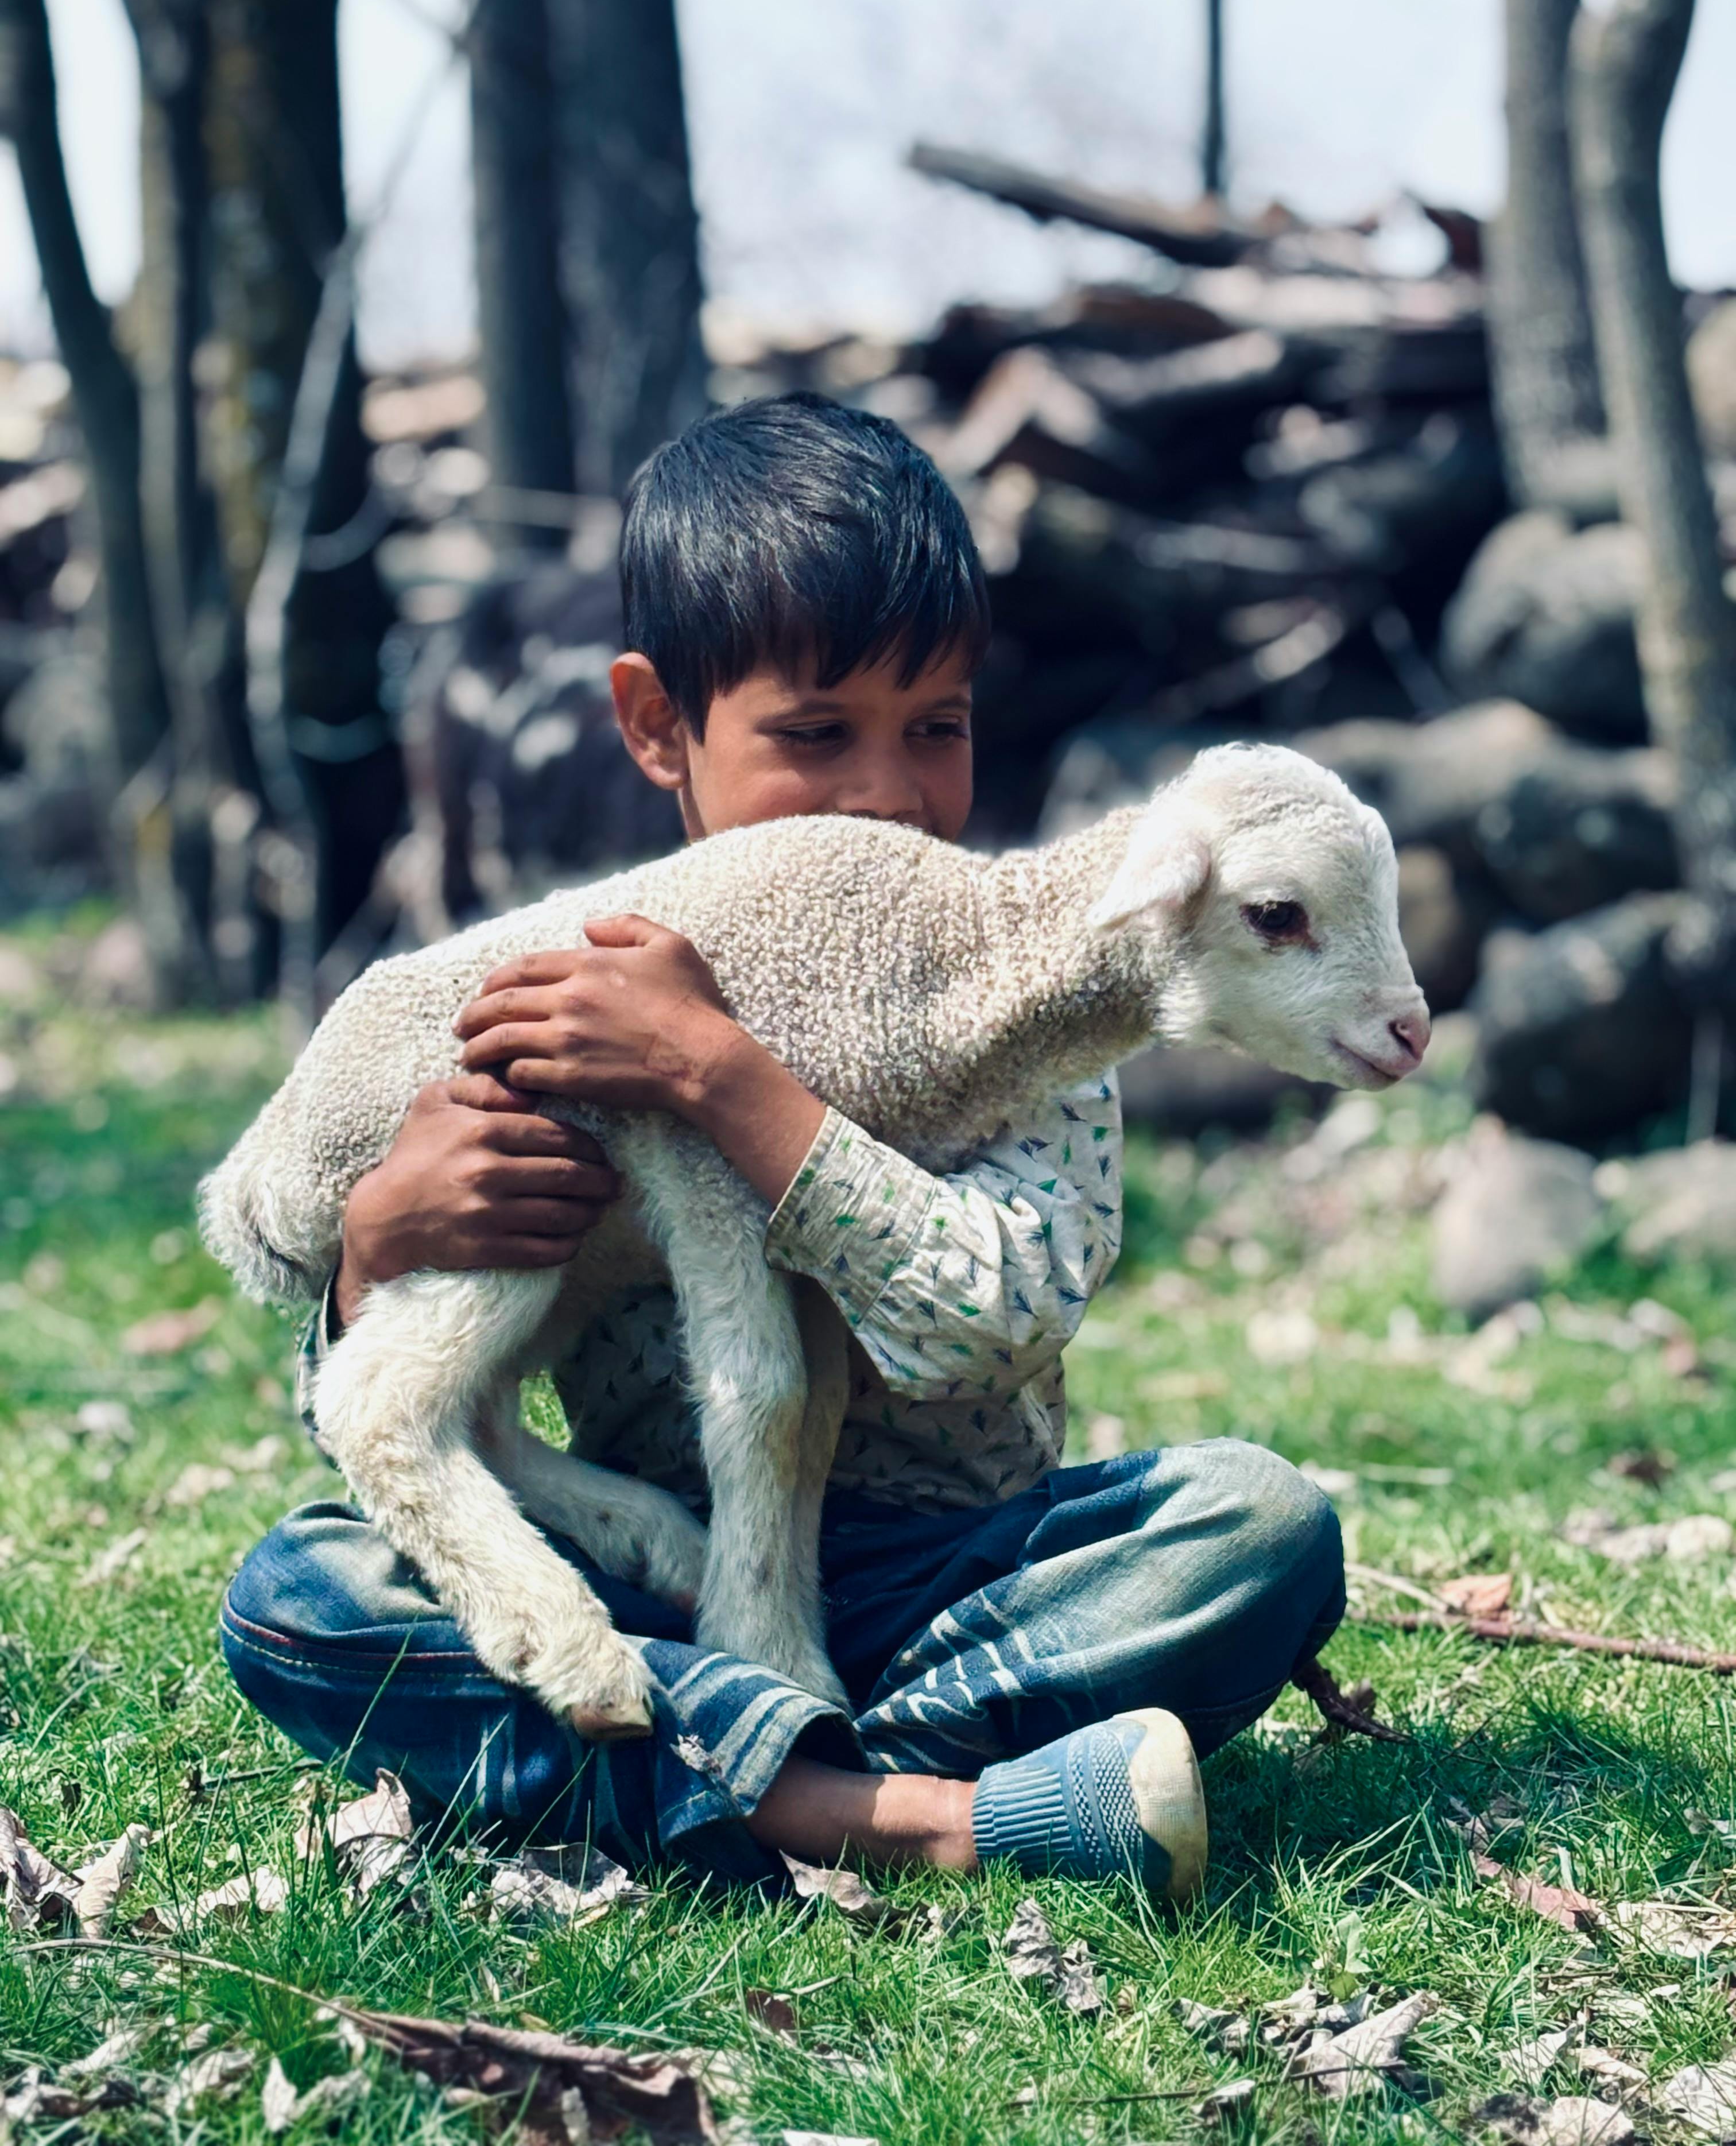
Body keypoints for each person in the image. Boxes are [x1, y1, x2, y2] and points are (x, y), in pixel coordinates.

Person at [221, 392, 1344, 1899]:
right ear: (656, 727)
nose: (887, 790)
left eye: (934, 727)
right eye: (817, 735)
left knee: (1258, 1529)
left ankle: (711, 1779)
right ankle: (928, 1815)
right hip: (661, 1572)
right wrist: (379, 1250)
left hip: (951, 1577)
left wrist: (728, 1080)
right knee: (301, 1596)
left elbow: (984, 1328)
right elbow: (392, 1420)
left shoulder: (1028, 1010)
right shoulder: (577, 994)